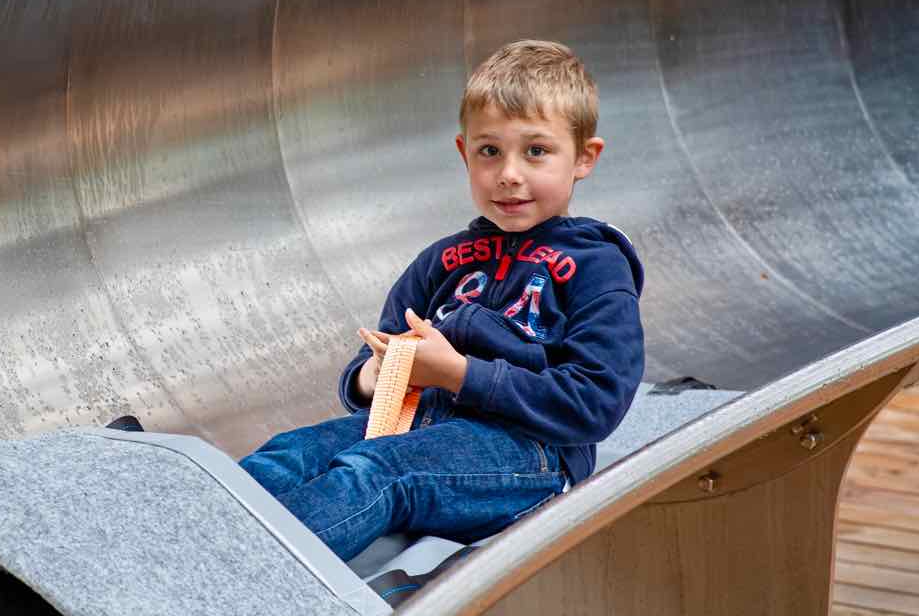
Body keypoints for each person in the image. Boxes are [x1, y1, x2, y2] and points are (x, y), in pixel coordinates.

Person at [237, 39, 645, 563]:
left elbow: (595, 402)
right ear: (463, 152)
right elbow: (368, 369)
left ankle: (247, 571)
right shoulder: (443, 261)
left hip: (528, 451)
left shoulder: (596, 266)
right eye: (489, 151)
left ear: (584, 157)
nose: (509, 174)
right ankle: (169, 548)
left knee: (379, 472)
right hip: (416, 423)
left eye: (536, 151)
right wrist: (379, 373)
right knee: (289, 454)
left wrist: (459, 375)